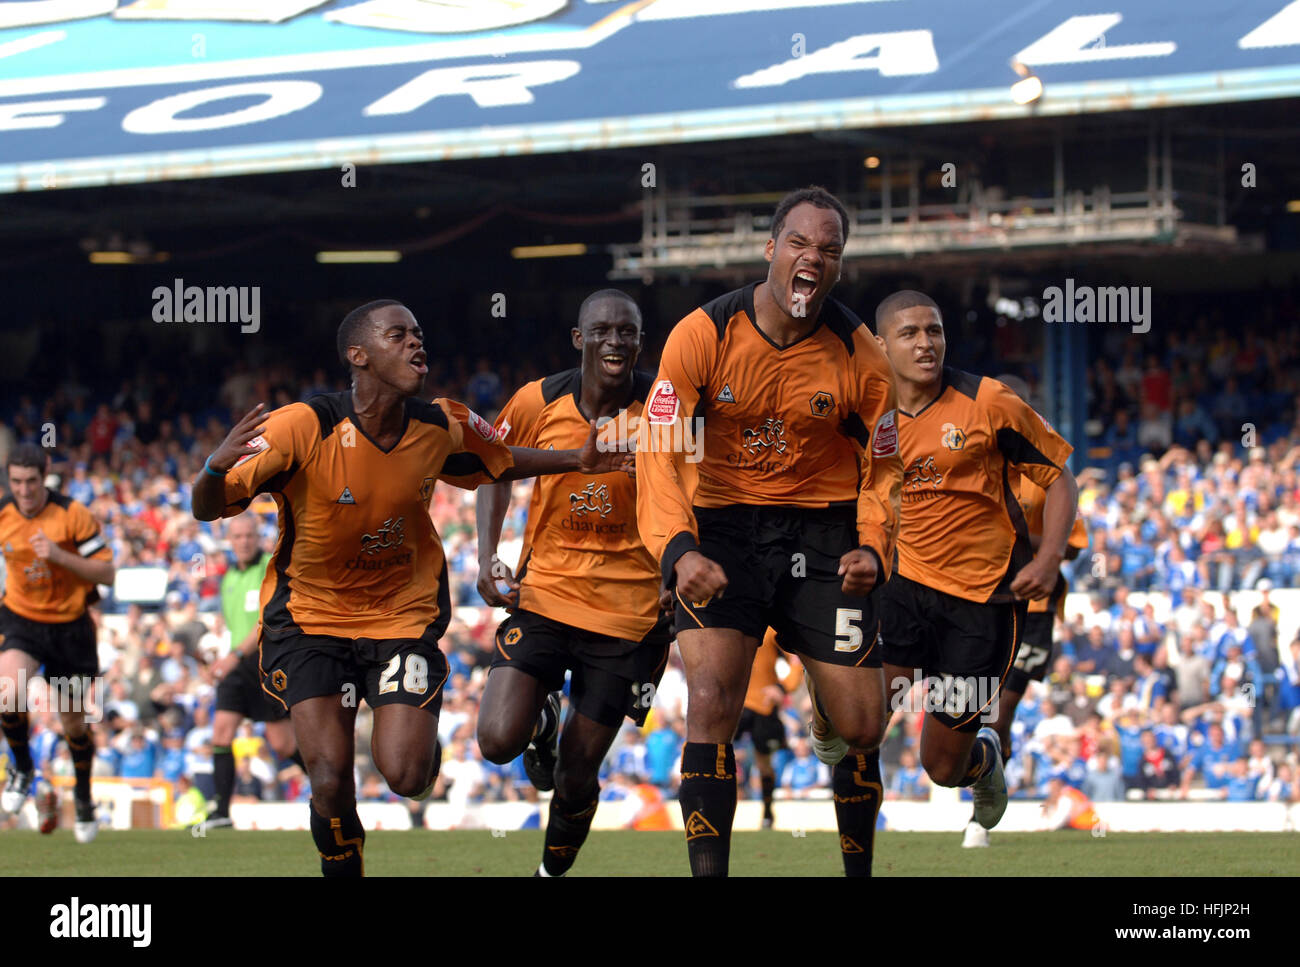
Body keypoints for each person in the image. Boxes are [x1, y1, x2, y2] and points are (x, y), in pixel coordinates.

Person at [190, 299, 627, 877]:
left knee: (407, 776)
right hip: (309, 622)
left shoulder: (441, 423)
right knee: (327, 779)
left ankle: (420, 752)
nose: (416, 344)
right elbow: (209, 508)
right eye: (398, 336)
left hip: (402, 619)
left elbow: (497, 461)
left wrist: (575, 457)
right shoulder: (303, 425)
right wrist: (213, 470)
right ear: (359, 355)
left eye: (419, 334)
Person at [636, 186, 902, 877]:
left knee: (863, 726)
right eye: (800, 243)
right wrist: (677, 549)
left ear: (839, 265)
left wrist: (874, 543)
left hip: (824, 534)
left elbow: (886, 467)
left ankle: (831, 737)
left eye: (829, 249)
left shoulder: (860, 354)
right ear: (771, 249)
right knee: (710, 700)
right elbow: (657, 451)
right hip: (724, 529)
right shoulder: (703, 333)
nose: (813, 258)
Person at [870, 290, 1078, 852]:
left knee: (940, 765)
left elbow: (1059, 477)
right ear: (880, 345)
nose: (925, 342)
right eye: (910, 333)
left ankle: (982, 763)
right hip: (901, 588)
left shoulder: (989, 401)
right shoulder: (866, 412)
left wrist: (1049, 558)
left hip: (982, 602)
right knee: (864, 718)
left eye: (933, 330)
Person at [474, 289, 669, 877]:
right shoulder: (538, 400)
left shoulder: (668, 407)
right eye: (603, 331)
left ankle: (550, 872)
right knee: (496, 740)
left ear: (639, 340)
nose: (616, 342)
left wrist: (680, 566)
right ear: (579, 338)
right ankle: (542, 722)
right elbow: (493, 466)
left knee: (578, 771)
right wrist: (487, 557)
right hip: (546, 595)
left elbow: (698, 492)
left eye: (628, 333)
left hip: (629, 614)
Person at [0, 444, 115, 844]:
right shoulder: (3, 514)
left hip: (70, 630)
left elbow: (108, 572)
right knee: (7, 692)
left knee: (75, 725)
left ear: (44, 474)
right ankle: (22, 767)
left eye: (31, 481)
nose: (24, 490)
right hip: (22, 622)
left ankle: (83, 795)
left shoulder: (72, 515)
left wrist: (61, 558)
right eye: (16, 482)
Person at [201, 512, 298, 830]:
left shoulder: (269, 570)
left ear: (258, 538)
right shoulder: (227, 578)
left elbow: (265, 621)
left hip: (267, 663)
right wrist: (220, 659)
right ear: (229, 541)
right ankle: (221, 811)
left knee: (282, 745)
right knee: (221, 732)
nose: (243, 542)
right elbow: (235, 626)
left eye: (248, 536)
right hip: (238, 665)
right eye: (237, 536)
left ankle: (332, 793)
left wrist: (233, 656)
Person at [735, 628, 803, 828]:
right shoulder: (731, 619)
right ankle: (718, 812)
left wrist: (782, 688)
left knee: (764, 763)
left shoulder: (772, 630)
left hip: (763, 705)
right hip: (735, 704)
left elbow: (796, 662)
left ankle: (767, 812)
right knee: (719, 756)